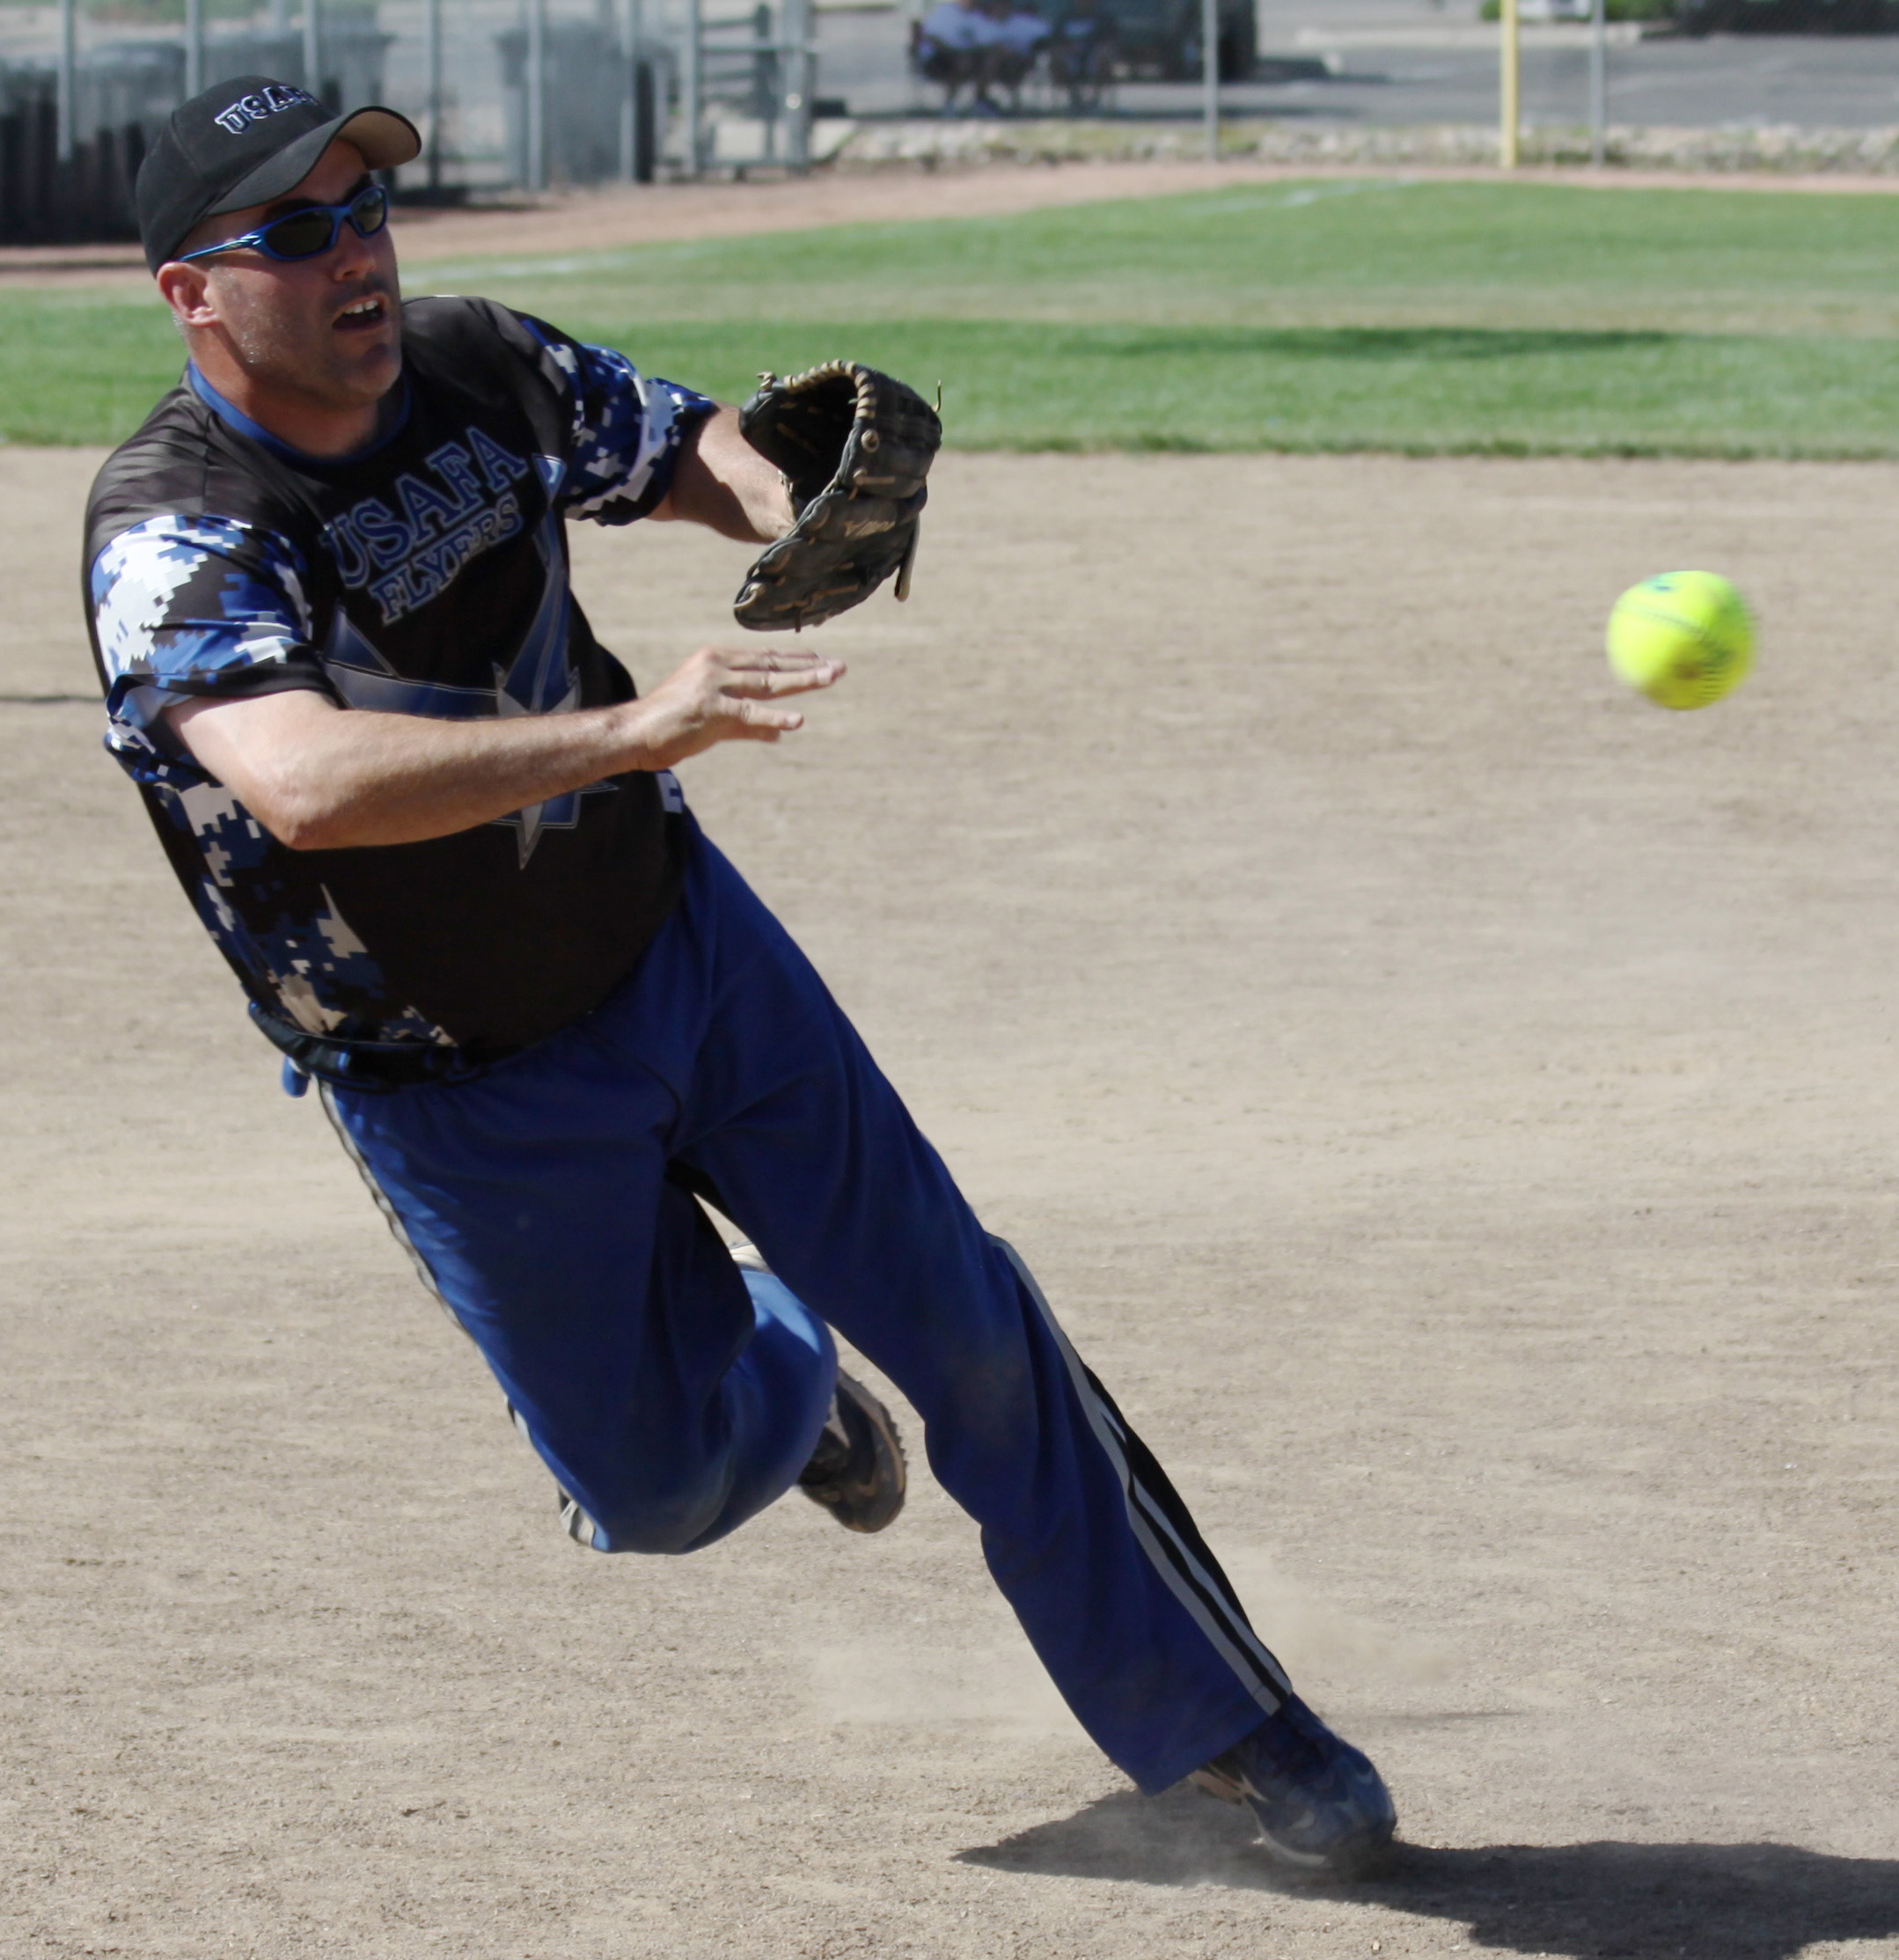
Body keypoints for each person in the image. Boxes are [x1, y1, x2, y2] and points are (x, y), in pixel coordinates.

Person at [81, 75, 1398, 1880]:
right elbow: (299, 778)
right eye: (295, 233)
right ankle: (791, 1398)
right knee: (654, 1490)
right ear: (190, 293)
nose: (358, 256)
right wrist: (629, 732)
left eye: (367, 209)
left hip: (680, 947)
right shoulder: (174, 524)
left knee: (977, 1332)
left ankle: (1231, 1725)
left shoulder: (470, 358)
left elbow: (663, 437)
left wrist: (791, 510)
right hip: (457, 1081)